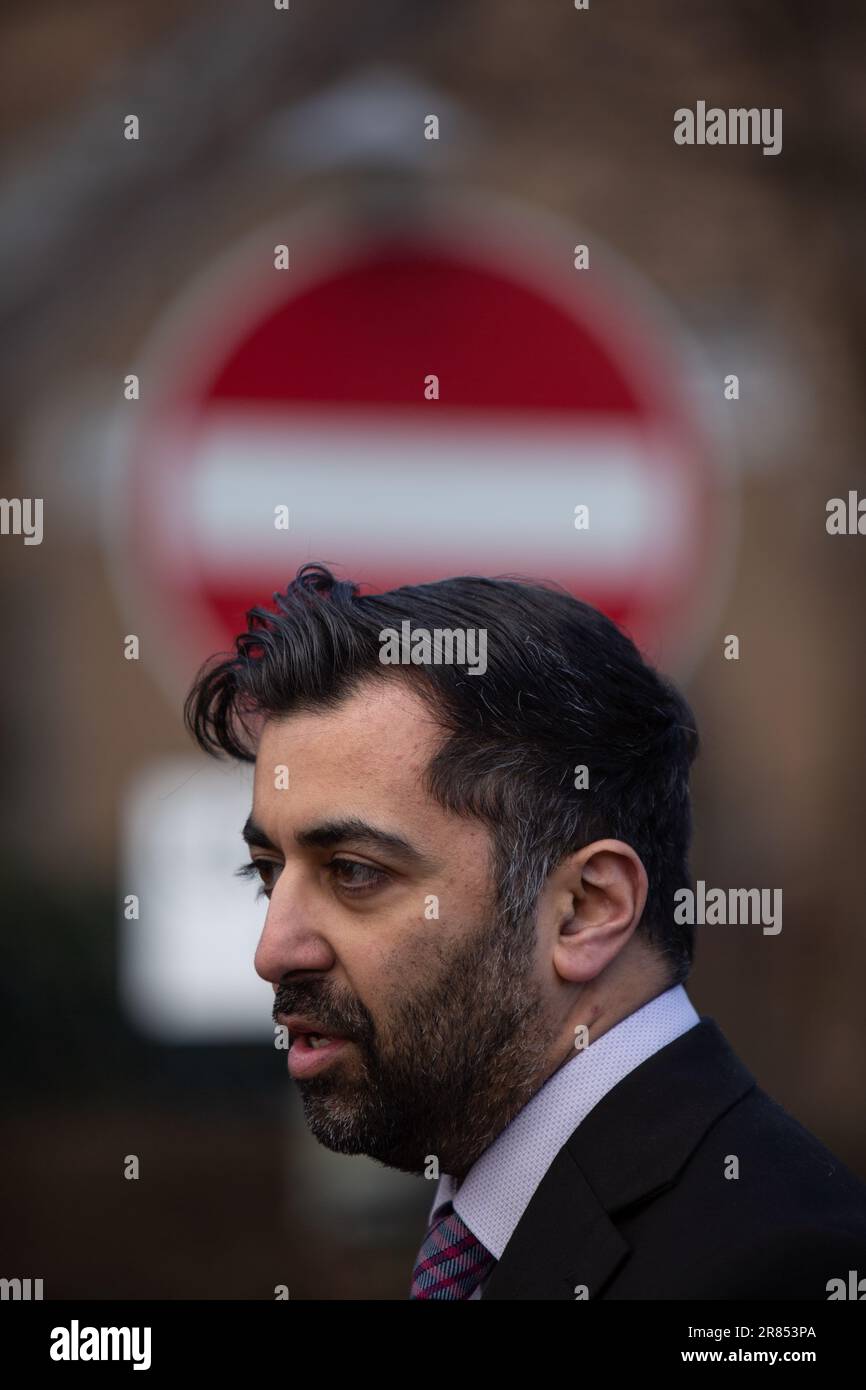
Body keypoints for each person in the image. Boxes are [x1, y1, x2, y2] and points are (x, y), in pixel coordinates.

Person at [184, 562, 866, 1300]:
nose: (273, 952)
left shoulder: (778, 1276)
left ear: (585, 910)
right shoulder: (491, 1223)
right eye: (266, 872)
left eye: (353, 872)